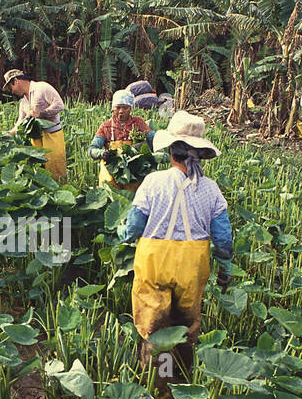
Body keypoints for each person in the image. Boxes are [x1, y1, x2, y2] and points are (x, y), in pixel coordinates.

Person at [120, 111, 234, 374]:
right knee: (185, 327)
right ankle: (183, 380)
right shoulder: (211, 189)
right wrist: (225, 269)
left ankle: (160, 385)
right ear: (199, 153)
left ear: (171, 151)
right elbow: (223, 238)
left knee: (155, 329)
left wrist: (124, 236)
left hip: (154, 264)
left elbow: (134, 226)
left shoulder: (153, 182)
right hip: (192, 267)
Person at [3, 69, 66, 182]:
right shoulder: (23, 102)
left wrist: (41, 114)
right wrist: (7, 134)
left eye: (10, 87)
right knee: (40, 172)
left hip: (52, 135)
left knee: (56, 170)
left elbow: (59, 105)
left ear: (16, 81)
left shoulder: (42, 88)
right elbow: (20, 123)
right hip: (35, 138)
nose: (12, 91)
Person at [90, 89, 155, 191]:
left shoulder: (138, 123)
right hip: (111, 169)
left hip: (134, 170)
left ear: (130, 108)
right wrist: (101, 153)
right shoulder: (106, 126)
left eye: (125, 107)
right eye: (118, 107)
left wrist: (145, 147)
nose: (121, 111)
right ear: (113, 108)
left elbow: (152, 138)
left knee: (132, 196)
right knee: (110, 194)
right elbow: (92, 149)